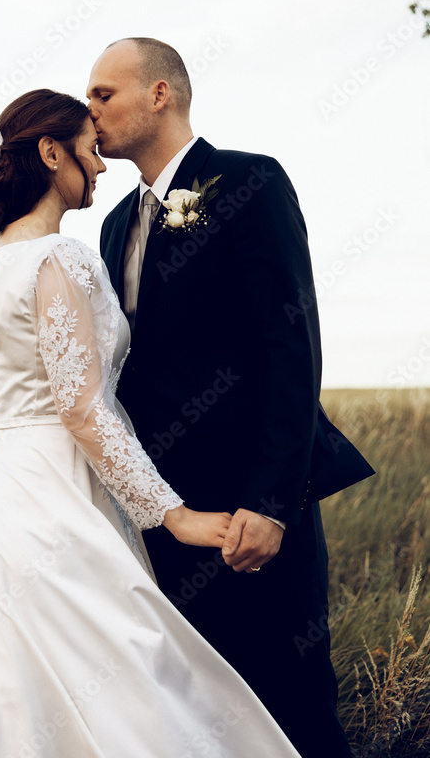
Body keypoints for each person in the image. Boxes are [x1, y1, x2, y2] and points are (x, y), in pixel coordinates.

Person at [0, 88, 303, 757]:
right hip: (56, 503)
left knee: (29, 706)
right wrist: (172, 513)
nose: (101, 165)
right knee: (132, 695)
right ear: (51, 153)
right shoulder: (59, 256)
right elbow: (81, 409)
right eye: (87, 150)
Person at [89, 37, 375, 758]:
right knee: (192, 708)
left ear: (160, 94)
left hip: (251, 506)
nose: (88, 111)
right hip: (165, 514)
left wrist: (270, 502)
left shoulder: (250, 182)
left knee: (290, 698)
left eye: (103, 94)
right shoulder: (114, 223)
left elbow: (291, 346)